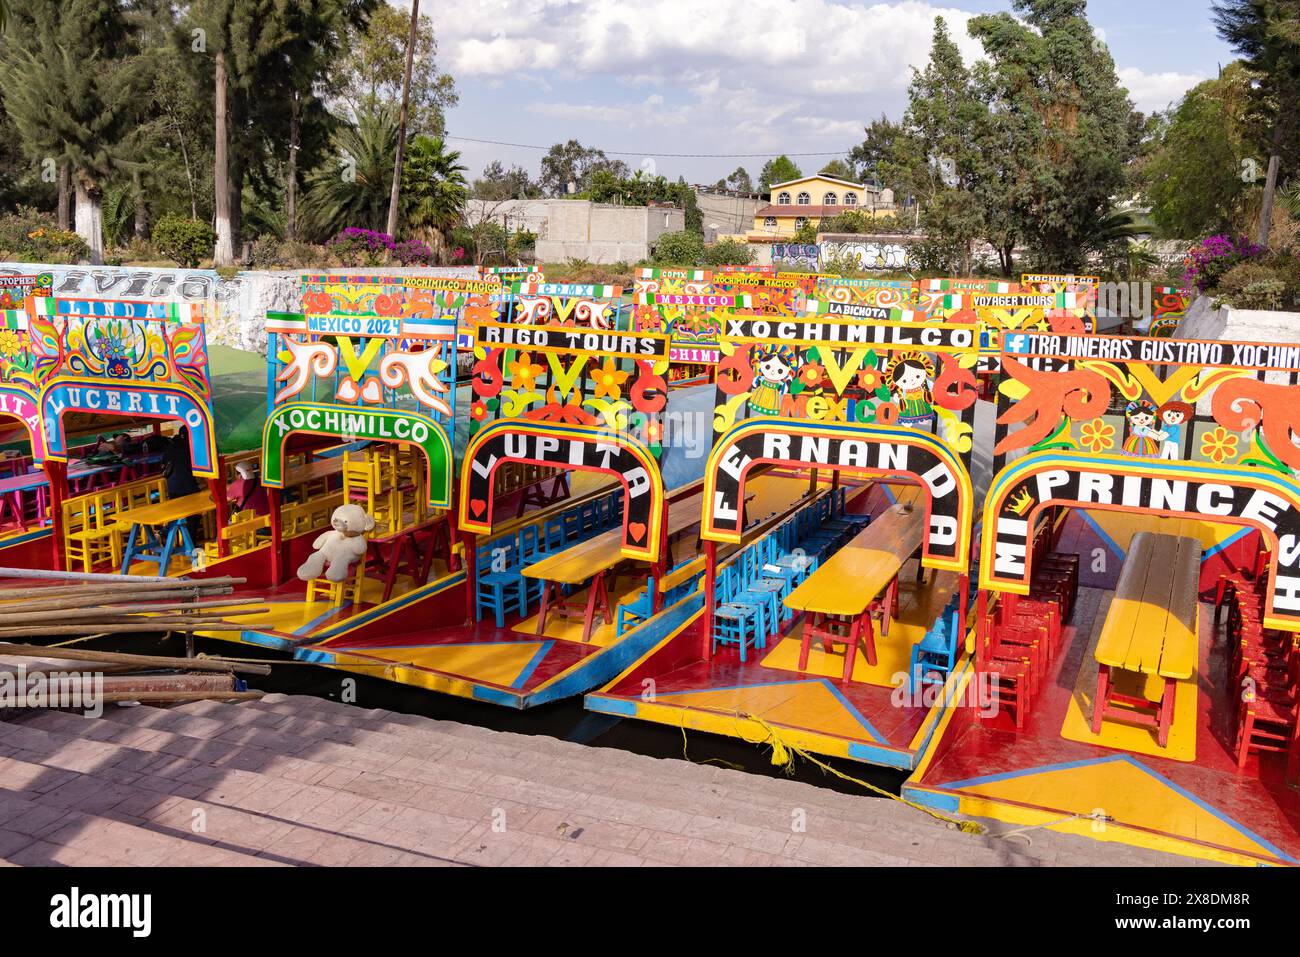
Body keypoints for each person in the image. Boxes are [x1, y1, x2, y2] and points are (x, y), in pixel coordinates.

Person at [162, 426, 204, 544]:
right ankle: (190, 543)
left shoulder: (170, 446)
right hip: (188, 485)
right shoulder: (191, 447)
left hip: (172, 485)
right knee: (193, 515)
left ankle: (169, 538)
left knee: (176, 514)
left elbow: (164, 463)